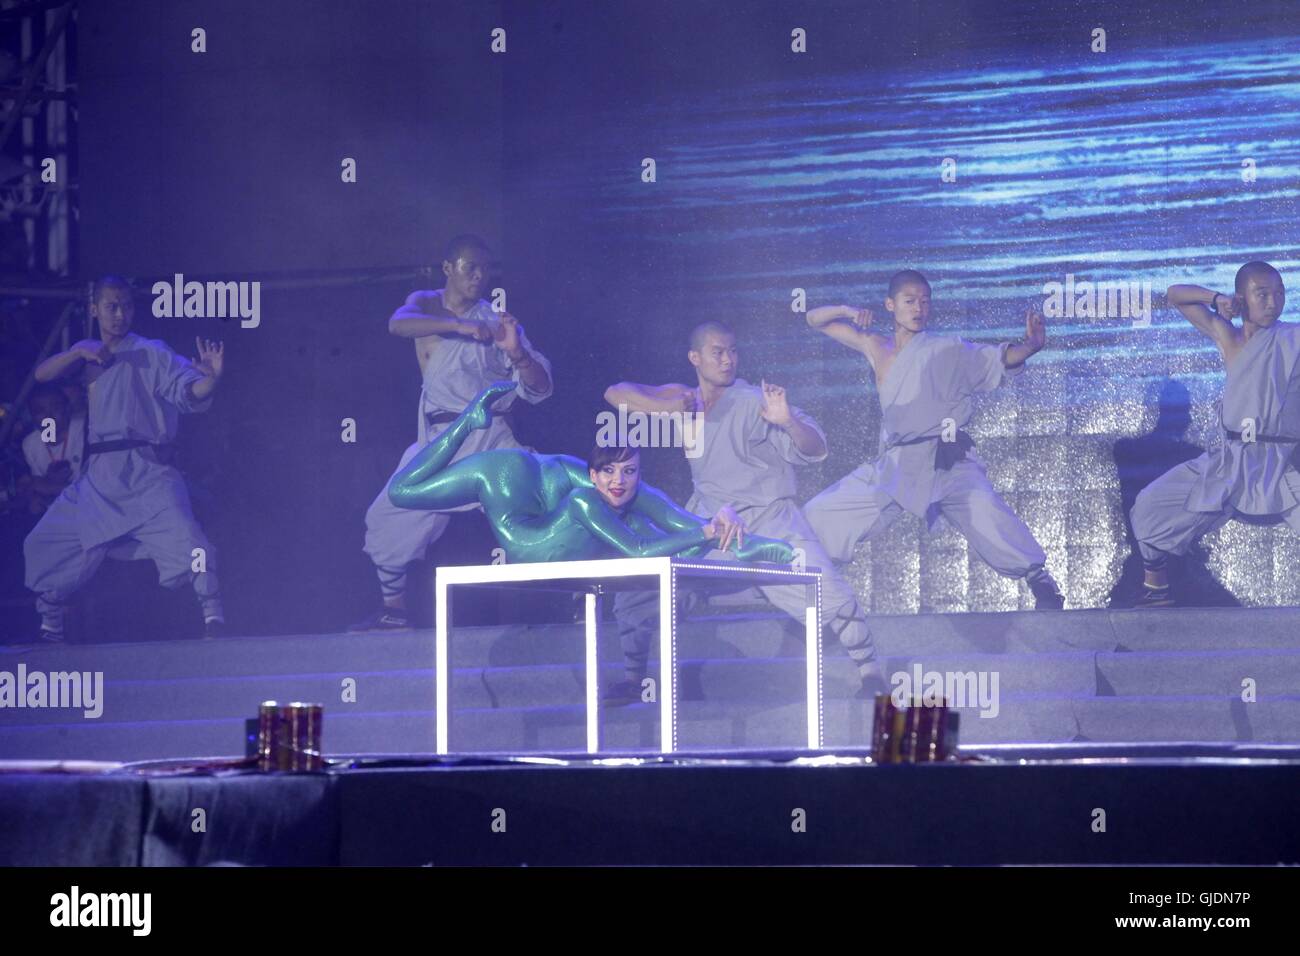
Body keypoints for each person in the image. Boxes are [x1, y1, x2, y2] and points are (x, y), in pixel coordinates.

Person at [603, 321, 882, 704]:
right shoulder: (685, 399)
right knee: (638, 590)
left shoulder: (755, 400)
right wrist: (668, 407)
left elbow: (815, 449)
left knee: (828, 592)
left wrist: (788, 421)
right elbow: (615, 393)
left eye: (733, 350)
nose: (727, 359)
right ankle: (635, 680)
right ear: (694, 358)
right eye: (718, 351)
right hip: (709, 525)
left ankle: (870, 673)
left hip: (769, 523)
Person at [803, 270, 1064, 609]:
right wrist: (847, 311)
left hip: (946, 458)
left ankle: (1039, 579)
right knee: (820, 513)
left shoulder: (946, 350)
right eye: (910, 301)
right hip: (898, 464)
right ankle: (808, 583)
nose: (919, 308)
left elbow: (997, 359)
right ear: (890, 305)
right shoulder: (875, 346)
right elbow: (814, 320)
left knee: (987, 513)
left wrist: (1030, 346)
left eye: (925, 301)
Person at [353, 234, 554, 630]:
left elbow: (539, 388)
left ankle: (576, 600)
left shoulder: (495, 321)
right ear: (448, 268)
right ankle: (394, 612)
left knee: (541, 510)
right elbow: (397, 324)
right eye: (469, 267)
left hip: (487, 437)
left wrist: (516, 352)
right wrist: (460, 326)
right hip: (438, 443)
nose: (479, 276)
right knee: (385, 517)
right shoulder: (426, 305)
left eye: (485, 269)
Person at [387, 380, 792, 565]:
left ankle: (737, 540)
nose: (616, 479)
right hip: (533, 547)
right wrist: (464, 425)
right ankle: (723, 540)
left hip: (551, 474)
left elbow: (637, 493)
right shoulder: (570, 491)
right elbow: (635, 551)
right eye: (609, 472)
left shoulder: (587, 474)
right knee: (625, 514)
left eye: (627, 469)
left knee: (630, 497)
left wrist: (718, 523)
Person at [23, 276, 226, 642]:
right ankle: (50, 621)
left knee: (189, 539)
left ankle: (213, 614)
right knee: (48, 543)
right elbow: (41, 375)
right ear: (95, 309)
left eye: (126, 306)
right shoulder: (85, 354)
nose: (120, 314)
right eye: (112, 306)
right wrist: (76, 352)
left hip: (147, 473)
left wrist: (209, 381)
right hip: (100, 478)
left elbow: (187, 389)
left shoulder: (151, 351)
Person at [1130, 261, 1300, 606]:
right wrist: (1215, 297)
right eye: (1262, 294)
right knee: (1148, 507)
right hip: (1228, 465)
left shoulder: (1292, 338)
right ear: (1242, 299)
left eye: (1279, 294)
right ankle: (1156, 589)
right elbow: (1175, 296)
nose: (1272, 302)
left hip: (1282, 466)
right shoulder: (1228, 337)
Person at [20, 382, 85, 515]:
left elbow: (89, 490)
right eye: (39, 411)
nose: (48, 416)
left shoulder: (84, 430)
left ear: (66, 408)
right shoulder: (30, 444)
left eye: (55, 407)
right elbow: (38, 487)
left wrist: (47, 486)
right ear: (32, 416)